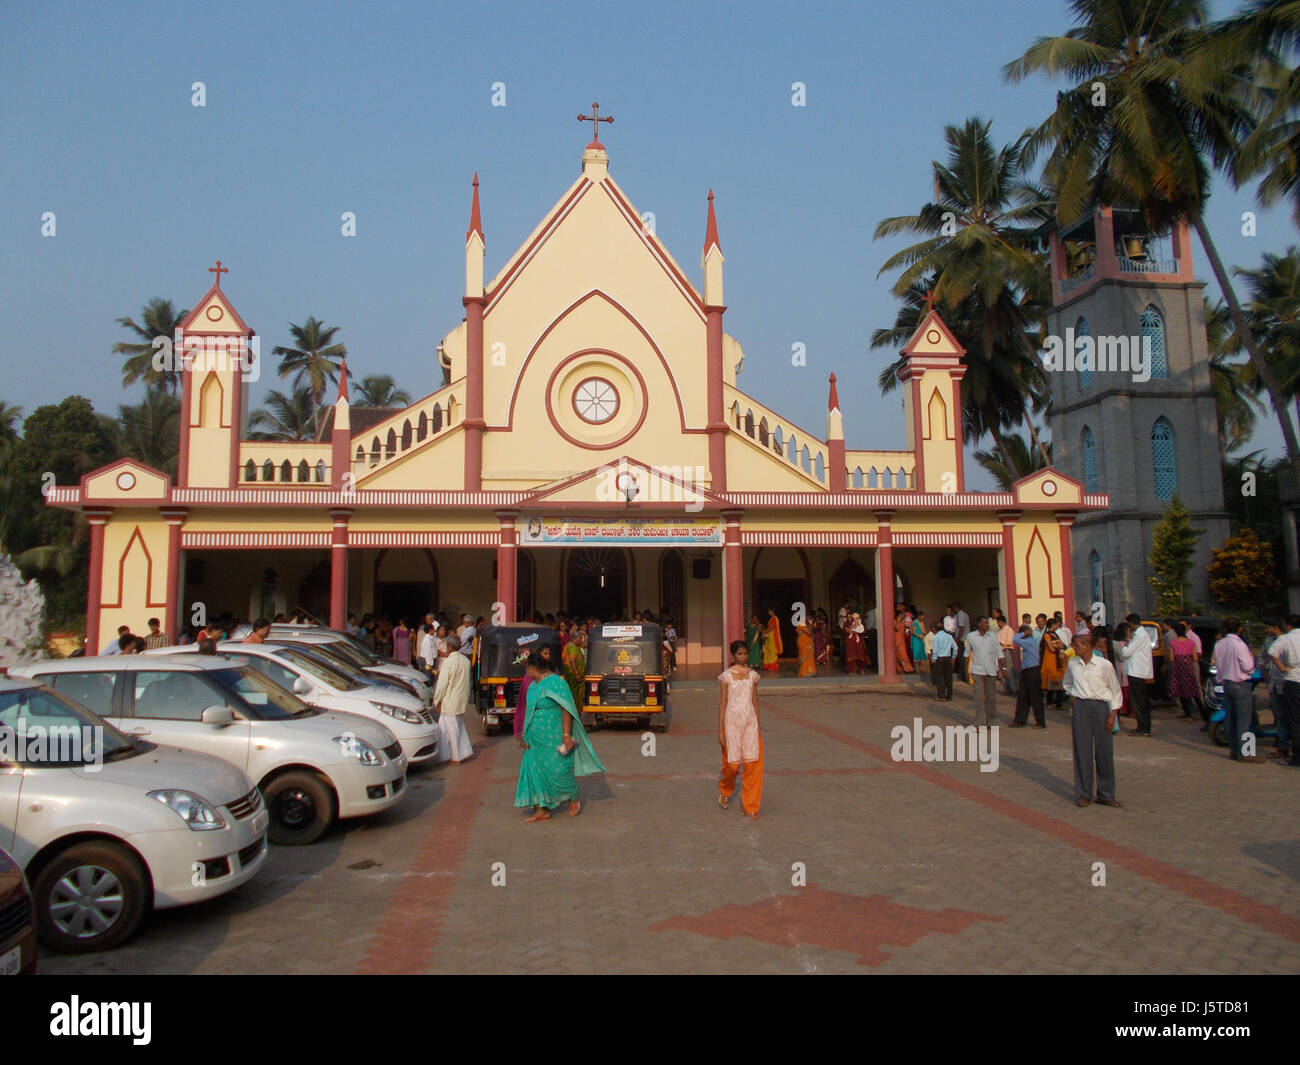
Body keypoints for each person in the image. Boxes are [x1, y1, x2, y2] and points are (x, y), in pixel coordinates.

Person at [515, 651, 604, 822]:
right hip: (535, 739)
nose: (526, 673)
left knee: (558, 771)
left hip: (554, 735)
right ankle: (542, 809)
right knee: (534, 771)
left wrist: (566, 735)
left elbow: (566, 709)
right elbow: (529, 711)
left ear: (534, 668)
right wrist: (525, 735)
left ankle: (573, 795)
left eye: (527, 669)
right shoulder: (533, 685)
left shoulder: (556, 683)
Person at [1063, 633, 1123, 808]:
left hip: (1101, 708)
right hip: (1081, 706)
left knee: (1104, 751)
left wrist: (1113, 714)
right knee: (1082, 751)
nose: (1074, 649)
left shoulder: (1104, 665)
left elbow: (1115, 690)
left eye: (1077, 646)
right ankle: (1083, 793)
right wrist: (1073, 698)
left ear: (1088, 646)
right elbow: (1067, 683)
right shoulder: (1073, 664)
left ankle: (1106, 793)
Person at [718, 639, 763, 818]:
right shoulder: (726, 676)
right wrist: (719, 728)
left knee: (752, 765)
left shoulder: (753, 676)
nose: (743, 657)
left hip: (750, 723)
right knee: (733, 765)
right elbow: (723, 703)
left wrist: (758, 725)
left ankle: (750, 807)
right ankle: (725, 790)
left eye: (745, 654)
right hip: (731, 723)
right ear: (733, 655)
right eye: (739, 654)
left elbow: (755, 701)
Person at [1214, 618, 1263, 762]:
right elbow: (1248, 666)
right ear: (1239, 629)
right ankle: (1246, 753)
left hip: (1226, 683)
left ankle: (1234, 750)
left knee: (1231, 718)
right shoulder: (1239, 645)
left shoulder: (1220, 644)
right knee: (1244, 720)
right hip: (1240, 683)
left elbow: (1218, 665)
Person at [432, 634, 474, 764]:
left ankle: (456, 757)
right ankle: (446, 755)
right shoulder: (465, 661)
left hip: (450, 700)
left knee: (452, 729)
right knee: (446, 728)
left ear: (450, 647)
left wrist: (437, 700)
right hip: (461, 699)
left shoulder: (448, 662)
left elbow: (442, 684)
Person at [1271, 615, 1300, 767]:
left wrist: (1282, 667)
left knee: (1295, 720)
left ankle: (1297, 756)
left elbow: (1272, 651)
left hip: (1293, 680)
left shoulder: (1287, 639)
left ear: (1287, 625)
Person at [1119, 613, 1154, 736]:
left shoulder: (1140, 635)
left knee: (1139, 700)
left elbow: (1127, 652)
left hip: (1137, 671)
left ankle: (1144, 728)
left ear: (1132, 623)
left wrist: (1125, 643)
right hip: (1136, 671)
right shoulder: (1139, 635)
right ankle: (1142, 726)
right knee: (1139, 700)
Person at [1262, 621, 1292, 760]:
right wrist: (1264, 673)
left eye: (1269, 626)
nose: (1267, 629)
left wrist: (1283, 668)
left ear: (1277, 627)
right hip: (1274, 683)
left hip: (1287, 683)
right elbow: (1262, 658)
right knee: (1279, 716)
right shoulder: (1268, 641)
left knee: (1290, 716)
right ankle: (1283, 744)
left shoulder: (1288, 641)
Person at [965, 616, 1003, 726]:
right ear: (979, 624)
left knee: (991, 698)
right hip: (977, 670)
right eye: (985, 623)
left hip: (991, 671)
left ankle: (991, 721)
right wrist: (967, 672)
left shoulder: (992, 636)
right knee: (978, 698)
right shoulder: (971, 636)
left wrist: (1003, 668)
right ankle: (979, 722)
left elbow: (999, 652)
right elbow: (966, 654)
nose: (987, 625)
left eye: (988, 623)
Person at [1010, 624, 1045, 728]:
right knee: (1023, 696)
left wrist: (1024, 633)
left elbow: (1015, 639)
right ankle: (1020, 720)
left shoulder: (1029, 642)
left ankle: (1040, 722)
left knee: (1035, 697)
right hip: (1026, 670)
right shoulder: (1029, 642)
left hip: (1032, 670)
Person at [1167, 622, 1203, 720]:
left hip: (1178, 669)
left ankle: (1188, 713)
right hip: (1188, 668)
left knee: (1181, 691)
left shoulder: (1173, 643)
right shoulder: (1191, 642)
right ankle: (1203, 713)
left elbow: (1171, 658)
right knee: (1194, 691)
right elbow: (1195, 658)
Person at [1040, 618, 1067, 707]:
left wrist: (1058, 645)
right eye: (1056, 624)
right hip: (1051, 660)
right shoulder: (1046, 635)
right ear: (1052, 625)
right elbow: (1051, 648)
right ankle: (1049, 702)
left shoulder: (1055, 634)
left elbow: (1063, 646)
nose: (1057, 626)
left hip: (1058, 660)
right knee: (1051, 682)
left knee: (1059, 682)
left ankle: (1059, 703)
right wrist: (1058, 646)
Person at [931, 623, 957, 701]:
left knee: (940, 678)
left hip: (940, 659)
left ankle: (941, 695)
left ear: (935, 629)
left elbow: (935, 650)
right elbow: (955, 648)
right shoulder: (949, 636)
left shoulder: (936, 637)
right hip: (948, 658)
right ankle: (949, 695)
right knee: (949, 678)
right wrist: (953, 657)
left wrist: (933, 659)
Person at [562, 627, 587, 706]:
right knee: (575, 695)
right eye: (580, 639)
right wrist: (576, 674)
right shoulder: (573, 647)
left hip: (571, 676)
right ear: (575, 639)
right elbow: (572, 661)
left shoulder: (569, 646)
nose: (581, 640)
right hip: (574, 678)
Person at [997, 613, 1017, 695]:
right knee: (1002, 671)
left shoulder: (1009, 630)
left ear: (1003, 622)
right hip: (999, 652)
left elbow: (1010, 642)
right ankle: (1007, 689)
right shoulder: (999, 631)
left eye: (999, 622)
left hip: (1006, 651)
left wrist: (1001, 643)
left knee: (1009, 671)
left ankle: (1014, 689)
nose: (998, 624)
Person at [894, 608, 915, 674]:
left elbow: (904, 630)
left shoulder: (903, 622)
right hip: (897, 640)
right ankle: (900, 669)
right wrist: (899, 620)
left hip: (902, 640)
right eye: (902, 615)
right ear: (899, 615)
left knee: (903, 654)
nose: (904, 617)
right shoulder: (894, 621)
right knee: (899, 655)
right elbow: (897, 628)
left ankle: (907, 668)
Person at [954, 602, 970, 682]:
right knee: (963, 658)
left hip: (962, 639)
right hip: (965, 639)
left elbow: (961, 628)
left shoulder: (960, 615)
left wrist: (957, 640)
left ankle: (964, 676)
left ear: (956, 608)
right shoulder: (964, 614)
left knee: (962, 658)